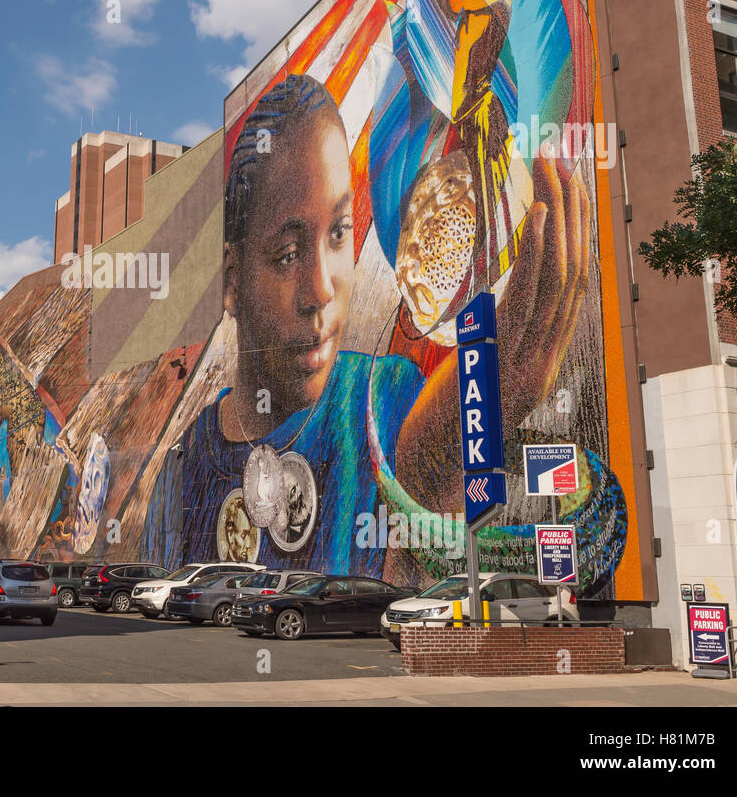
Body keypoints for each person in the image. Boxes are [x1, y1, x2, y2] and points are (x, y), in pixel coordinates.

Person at [143, 72, 588, 579]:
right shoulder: (180, 474)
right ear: (232, 280)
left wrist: (435, 472)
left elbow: (424, 617)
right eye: (287, 255)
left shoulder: (392, 400)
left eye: (338, 234)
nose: (322, 290)